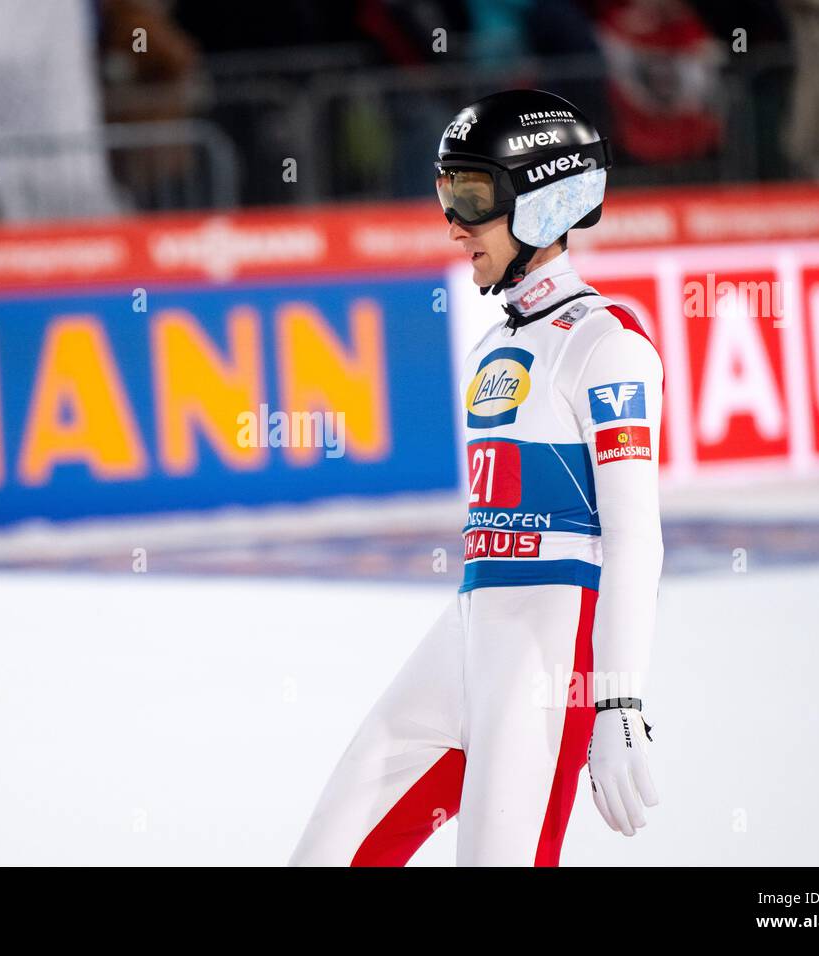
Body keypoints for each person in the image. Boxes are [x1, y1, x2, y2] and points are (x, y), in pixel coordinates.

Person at [290, 89, 664, 866]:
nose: (453, 222)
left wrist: (618, 700)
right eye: (445, 192)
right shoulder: (493, 343)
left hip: (549, 650)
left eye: (472, 194)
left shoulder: (607, 344)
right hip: (468, 633)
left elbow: (635, 539)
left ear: (547, 199)